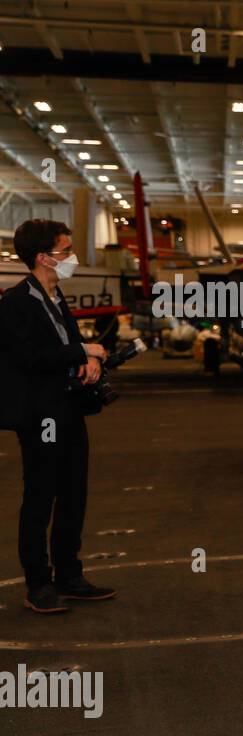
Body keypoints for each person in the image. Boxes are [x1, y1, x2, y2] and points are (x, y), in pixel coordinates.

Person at [0, 219, 115, 613]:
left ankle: (69, 575)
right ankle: (38, 583)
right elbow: (30, 359)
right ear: (43, 258)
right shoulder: (16, 303)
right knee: (40, 497)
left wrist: (88, 362)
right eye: (66, 251)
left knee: (72, 494)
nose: (72, 258)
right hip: (40, 416)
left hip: (67, 409)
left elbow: (65, 348)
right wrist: (83, 352)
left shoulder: (56, 297)